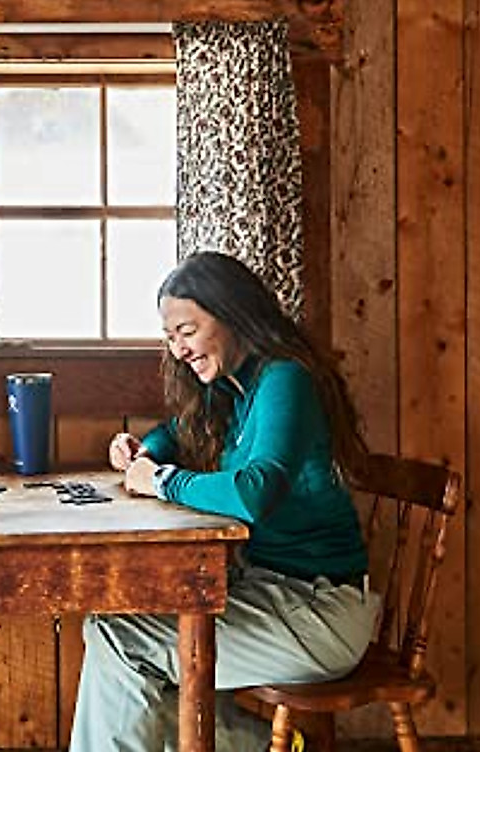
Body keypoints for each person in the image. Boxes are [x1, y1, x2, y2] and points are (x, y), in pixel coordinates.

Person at [70, 251, 380, 752]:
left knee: (117, 640)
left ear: (233, 315)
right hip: (273, 594)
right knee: (118, 646)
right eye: (170, 337)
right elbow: (176, 432)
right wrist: (144, 452)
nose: (178, 350)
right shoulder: (233, 388)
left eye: (187, 331)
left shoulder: (286, 379)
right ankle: (267, 749)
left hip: (320, 613)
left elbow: (256, 490)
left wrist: (162, 480)